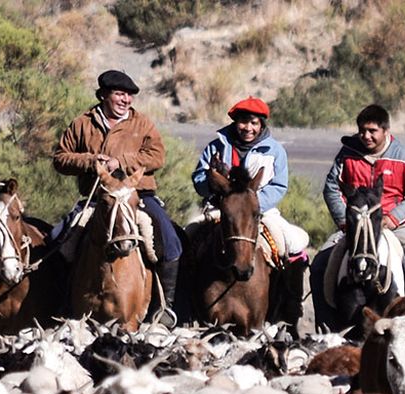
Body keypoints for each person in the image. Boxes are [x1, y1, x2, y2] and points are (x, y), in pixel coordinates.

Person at [52, 69, 181, 326]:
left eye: (130, 95)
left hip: (137, 196)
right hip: (97, 198)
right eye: (120, 94)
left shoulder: (141, 123)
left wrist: (120, 161)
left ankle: (165, 307)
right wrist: (90, 161)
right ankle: (63, 302)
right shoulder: (83, 123)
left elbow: (157, 156)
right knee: (58, 240)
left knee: (170, 240)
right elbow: (60, 158)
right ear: (103, 95)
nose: (126, 100)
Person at [191, 96, 309, 324]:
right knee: (188, 237)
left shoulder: (274, 150)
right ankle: (182, 304)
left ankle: (290, 305)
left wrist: (252, 206)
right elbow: (198, 177)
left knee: (293, 244)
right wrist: (212, 188)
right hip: (220, 208)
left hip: (261, 211)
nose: (249, 128)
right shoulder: (216, 146)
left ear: (262, 124)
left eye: (254, 123)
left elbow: (279, 185)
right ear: (235, 122)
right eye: (244, 122)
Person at [313, 104, 405, 323]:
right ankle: (326, 325)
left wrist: (393, 218)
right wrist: (343, 220)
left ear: (385, 131)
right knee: (321, 263)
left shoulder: (404, 157)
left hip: (393, 223)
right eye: (362, 131)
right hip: (355, 224)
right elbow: (332, 188)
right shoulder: (347, 155)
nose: (365, 136)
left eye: (372, 131)